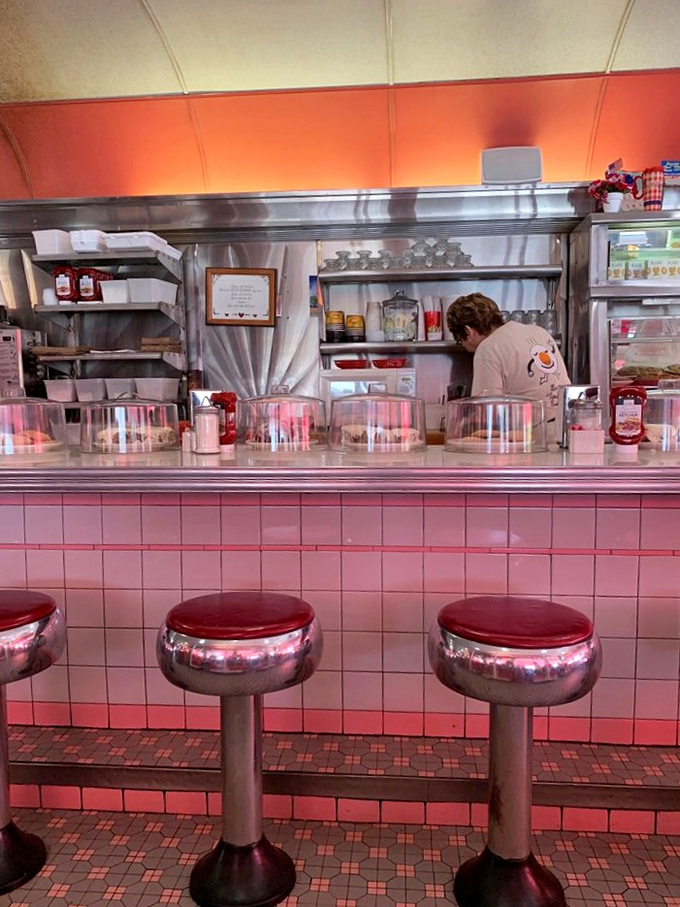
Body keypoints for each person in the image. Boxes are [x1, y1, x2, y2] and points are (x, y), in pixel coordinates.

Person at [445, 293, 570, 420]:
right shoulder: (539, 331)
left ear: (468, 331)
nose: (465, 348)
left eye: (460, 341)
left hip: (530, 433)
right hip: (565, 425)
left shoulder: (488, 348)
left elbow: (485, 414)